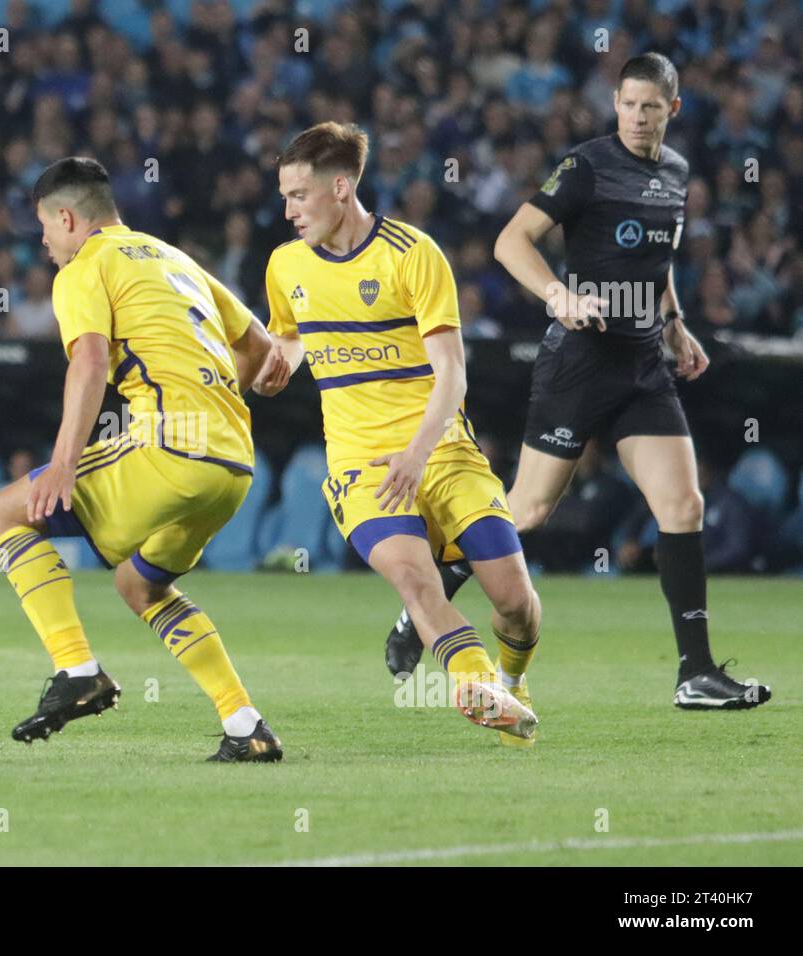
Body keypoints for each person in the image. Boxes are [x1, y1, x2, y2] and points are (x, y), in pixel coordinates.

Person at [385, 53, 772, 711]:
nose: (637, 116)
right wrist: (558, 294)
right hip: (580, 363)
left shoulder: (676, 174)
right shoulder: (589, 166)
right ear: (615, 104)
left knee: (684, 507)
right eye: (627, 103)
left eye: (650, 106)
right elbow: (513, 241)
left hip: (644, 365)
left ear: (672, 111)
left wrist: (675, 324)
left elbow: (658, 262)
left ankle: (695, 673)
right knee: (529, 510)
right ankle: (433, 587)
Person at [0, 157, 283, 762]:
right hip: (232, 460)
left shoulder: (85, 267)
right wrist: (214, 406)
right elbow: (262, 348)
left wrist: (64, 462)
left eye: (44, 228)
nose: (43, 244)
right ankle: (246, 725)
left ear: (67, 217)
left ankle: (77, 671)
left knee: (1, 514)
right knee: (138, 584)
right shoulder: (173, 257)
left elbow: (88, 364)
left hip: (169, 445)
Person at [253, 122, 540, 745]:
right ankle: (477, 687)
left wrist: (416, 453)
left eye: (298, 195)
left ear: (340, 186)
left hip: (441, 452)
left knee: (515, 602)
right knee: (415, 582)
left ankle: (512, 685)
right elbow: (293, 336)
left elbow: (453, 373)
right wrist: (279, 365)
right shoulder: (285, 266)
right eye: (283, 196)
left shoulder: (413, 254)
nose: (288, 211)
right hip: (359, 464)